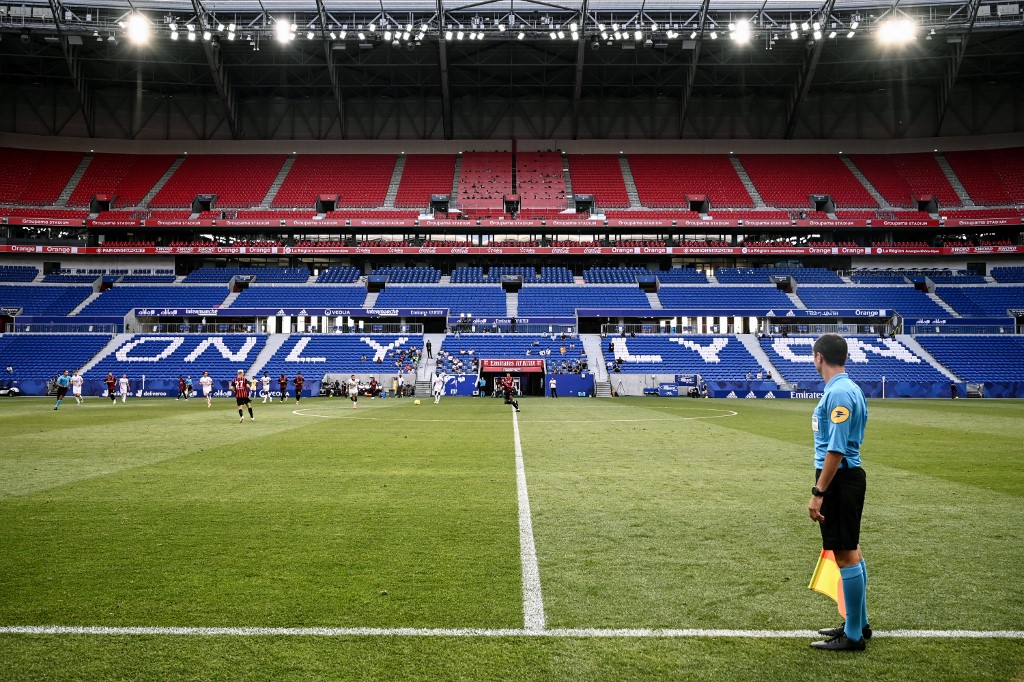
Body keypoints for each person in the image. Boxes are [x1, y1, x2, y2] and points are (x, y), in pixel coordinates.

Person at [807, 334, 871, 652]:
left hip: (839, 480)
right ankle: (857, 623)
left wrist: (819, 491)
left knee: (845, 555)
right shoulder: (845, 389)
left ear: (819, 357)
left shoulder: (841, 392)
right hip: (843, 479)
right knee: (852, 551)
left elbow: (837, 448)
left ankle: (855, 635)